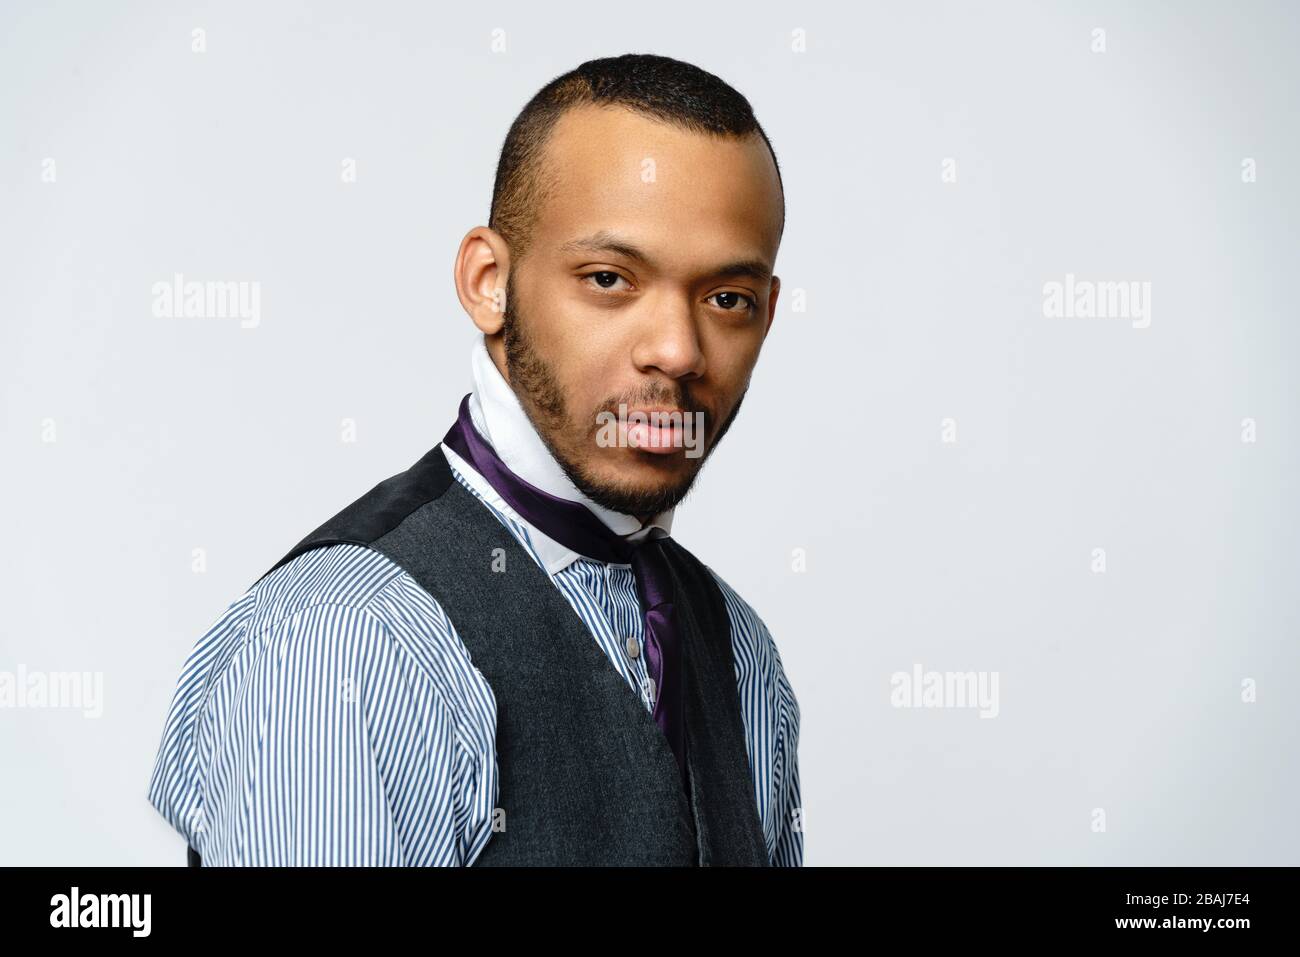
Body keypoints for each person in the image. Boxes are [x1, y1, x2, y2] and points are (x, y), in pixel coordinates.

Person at [147, 52, 801, 866]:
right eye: (609, 278)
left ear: (767, 314)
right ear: (489, 282)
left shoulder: (739, 650)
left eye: (725, 298)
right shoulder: (345, 644)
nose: (675, 350)